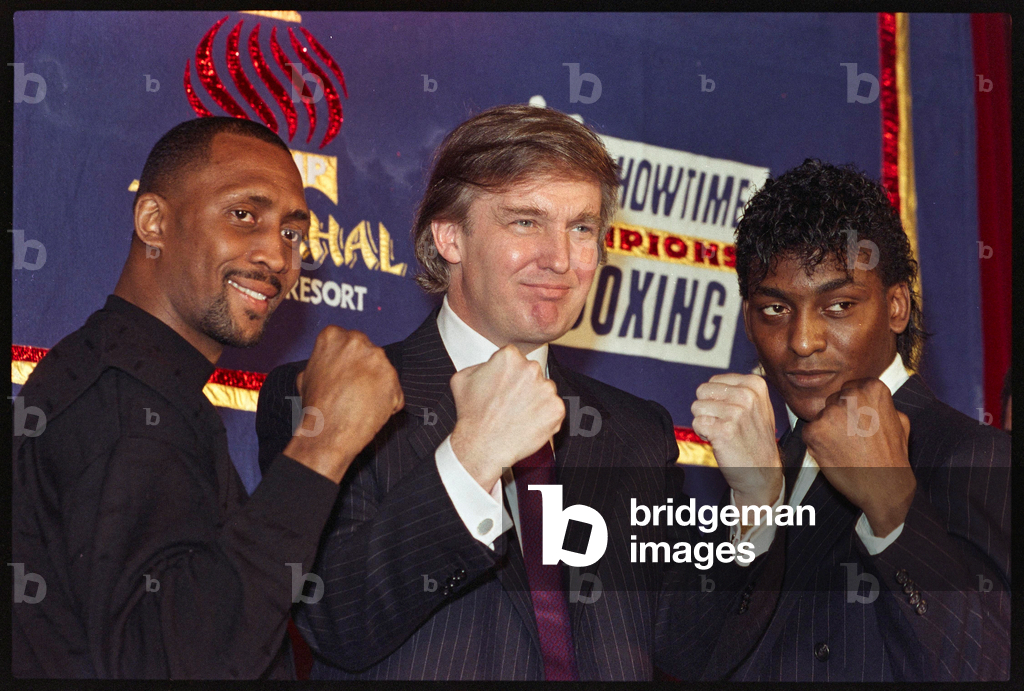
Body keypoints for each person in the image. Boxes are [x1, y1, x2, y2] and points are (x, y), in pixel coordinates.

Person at [255, 104, 745, 681]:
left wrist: (754, 506)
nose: (560, 259)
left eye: (582, 228)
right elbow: (336, 623)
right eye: (525, 222)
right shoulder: (331, 394)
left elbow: (689, 652)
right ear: (449, 236)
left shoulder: (635, 431)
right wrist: (472, 459)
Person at [12, 117, 403, 679]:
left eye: (293, 232)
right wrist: (323, 443)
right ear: (153, 221)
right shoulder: (126, 396)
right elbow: (175, 662)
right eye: (244, 215)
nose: (276, 255)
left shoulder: (145, 384)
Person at [690, 159, 1010, 680]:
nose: (802, 341)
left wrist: (893, 510)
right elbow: (699, 657)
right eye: (775, 309)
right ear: (747, 320)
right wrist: (754, 509)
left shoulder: (980, 459)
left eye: (838, 305)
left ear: (897, 307)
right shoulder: (762, 468)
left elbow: (988, 666)